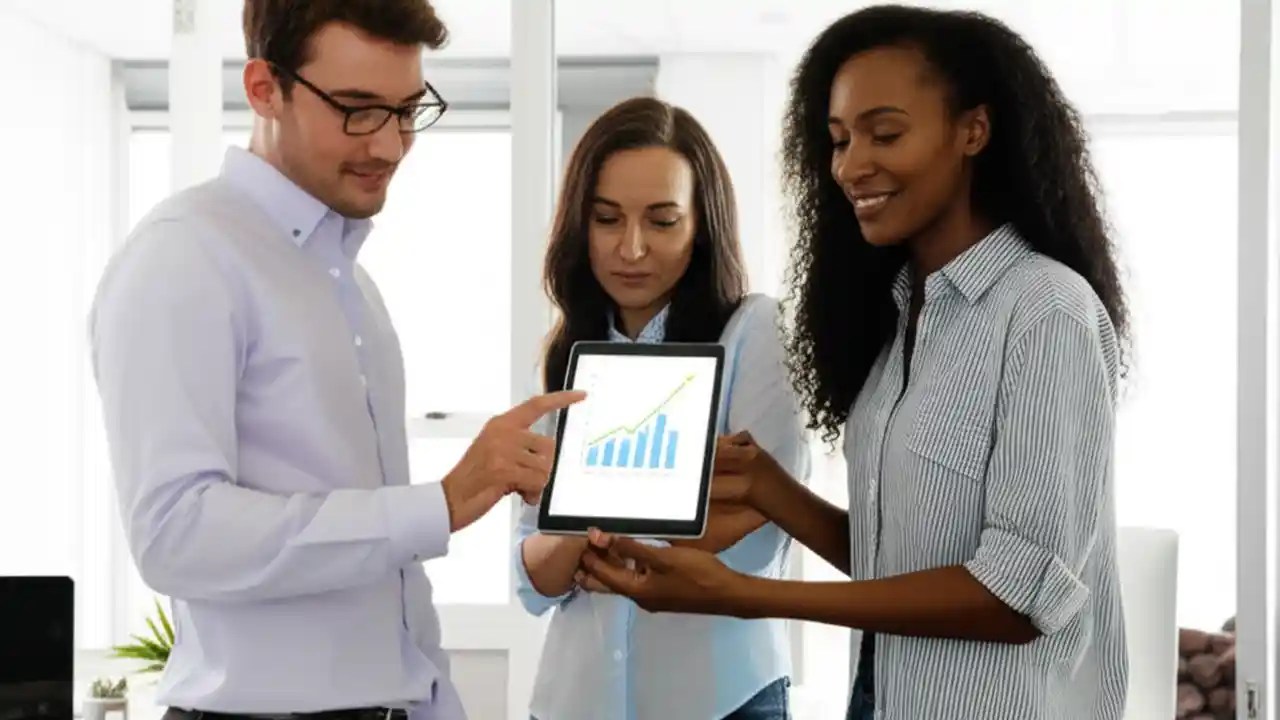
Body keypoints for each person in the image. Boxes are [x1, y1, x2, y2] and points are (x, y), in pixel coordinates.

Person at [579, 6, 1131, 720]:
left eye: (885, 133)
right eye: (838, 140)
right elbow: (900, 563)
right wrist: (776, 492)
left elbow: (1017, 593)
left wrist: (750, 596)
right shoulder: (908, 315)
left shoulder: (1046, 309)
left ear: (974, 130)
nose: (849, 166)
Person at [89, 2, 581, 718]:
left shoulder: (350, 285)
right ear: (264, 89)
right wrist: (438, 505)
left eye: (408, 109)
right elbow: (174, 534)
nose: (389, 146)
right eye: (356, 110)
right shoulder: (182, 256)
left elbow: (389, 594)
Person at [513, 97, 810, 720]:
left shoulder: (753, 331)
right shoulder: (566, 354)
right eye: (606, 218)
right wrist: (651, 514)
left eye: (662, 220)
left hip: (722, 698)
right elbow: (533, 578)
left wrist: (580, 520)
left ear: (702, 225)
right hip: (574, 701)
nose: (631, 247)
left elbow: (751, 546)